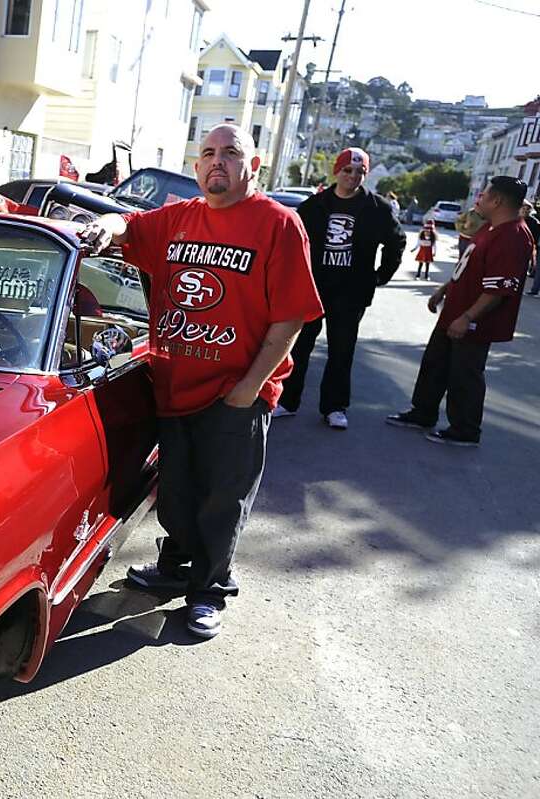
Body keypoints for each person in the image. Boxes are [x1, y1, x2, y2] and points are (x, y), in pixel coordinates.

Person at [78, 124, 322, 639]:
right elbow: (129, 224)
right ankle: (176, 567)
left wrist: (248, 390)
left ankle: (211, 588)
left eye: (231, 153)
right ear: (196, 168)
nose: (218, 162)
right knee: (178, 494)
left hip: (236, 391)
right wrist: (106, 224)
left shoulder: (278, 224)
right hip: (175, 384)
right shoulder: (180, 218)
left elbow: (291, 318)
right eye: (208, 153)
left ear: (251, 166)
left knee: (223, 497)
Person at [386, 176, 534, 447]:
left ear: (498, 200)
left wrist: (467, 317)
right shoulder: (491, 227)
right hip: (454, 312)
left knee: (465, 374)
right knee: (435, 364)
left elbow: (499, 289)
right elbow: (470, 268)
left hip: (473, 322)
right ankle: (423, 412)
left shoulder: (513, 236)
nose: (480, 199)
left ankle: (465, 429)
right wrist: (444, 289)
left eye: (485, 195)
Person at [276, 148, 406, 430]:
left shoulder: (377, 208)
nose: (354, 176)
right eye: (348, 170)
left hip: (351, 293)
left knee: (341, 351)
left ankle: (335, 407)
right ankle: (287, 400)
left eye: (360, 172)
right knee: (299, 346)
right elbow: (293, 243)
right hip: (314, 288)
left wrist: (379, 276)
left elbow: (396, 242)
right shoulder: (314, 205)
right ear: (337, 171)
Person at [522, 200, 540, 296]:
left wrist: (534, 248)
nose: (525, 211)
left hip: (527, 248)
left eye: (527, 209)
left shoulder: (534, 222)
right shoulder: (515, 219)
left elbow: (535, 237)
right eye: (524, 208)